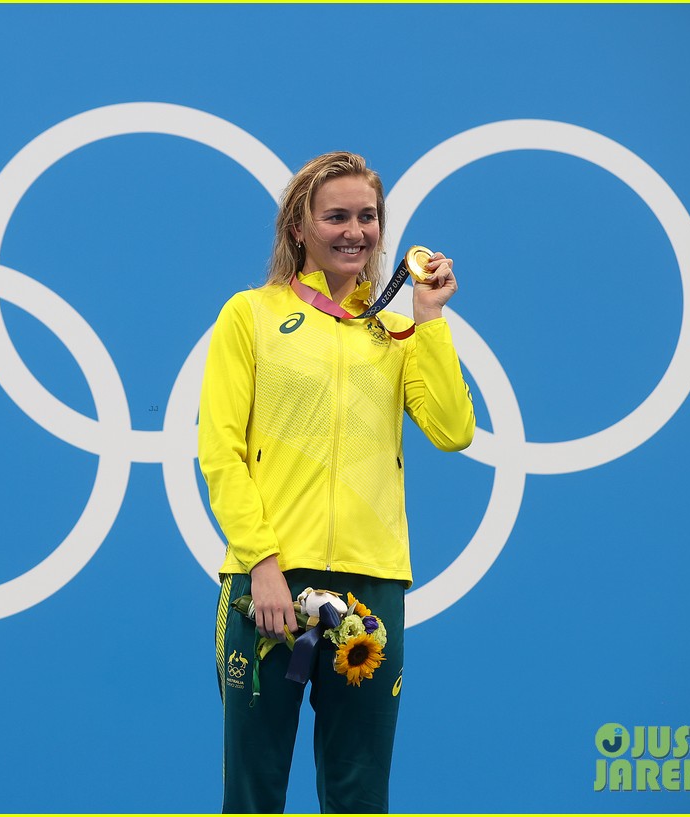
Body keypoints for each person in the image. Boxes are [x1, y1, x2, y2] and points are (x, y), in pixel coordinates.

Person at [200, 151, 475, 813]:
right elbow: (220, 452)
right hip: (268, 585)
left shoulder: (396, 330)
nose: (356, 230)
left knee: (359, 791)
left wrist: (430, 318)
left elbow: (452, 429)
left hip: (370, 584)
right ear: (299, 226)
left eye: (368, 216)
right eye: (337, 216)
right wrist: (262, 562)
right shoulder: (250, 315)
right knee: (253, 789)